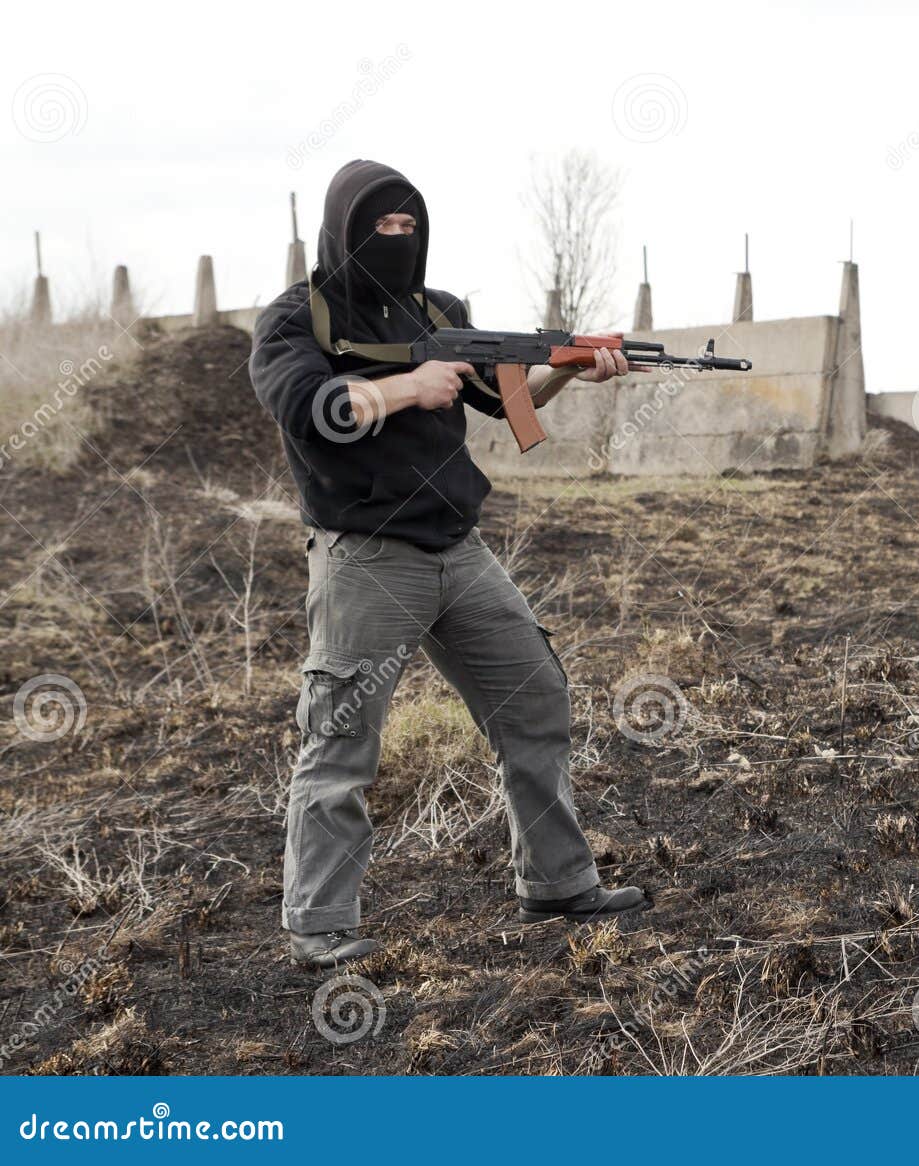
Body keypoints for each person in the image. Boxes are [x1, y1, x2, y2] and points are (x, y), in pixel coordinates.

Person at [249, 159, 645, 970]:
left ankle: (558, 881)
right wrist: (406, 385)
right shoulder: (296, 320)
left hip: (458, 549)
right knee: (342, 738)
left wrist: (569, 367)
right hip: (365, 557)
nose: (398, 240)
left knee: (535, 698)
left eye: (409, 228)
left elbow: (509, 401)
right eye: (380, 229)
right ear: (342, 231)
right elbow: (313, 409)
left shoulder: (441, 311)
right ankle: (318, 921)